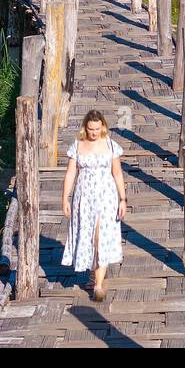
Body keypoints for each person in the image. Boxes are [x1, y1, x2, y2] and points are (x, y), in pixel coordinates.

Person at [61, 110, 126, 302]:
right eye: (91, 129)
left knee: (101, 236)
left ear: (103, 127)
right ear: (85, 128)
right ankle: (94, 271)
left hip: (106, 197)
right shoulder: (77, 146)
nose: (94, 132)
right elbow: (71, 173)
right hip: (84, 198)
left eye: (97, 128)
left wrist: (123, 199)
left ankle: (98, 285)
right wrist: (65, 197)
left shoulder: (111, 146)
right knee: (88, 236)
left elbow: (118, 173)